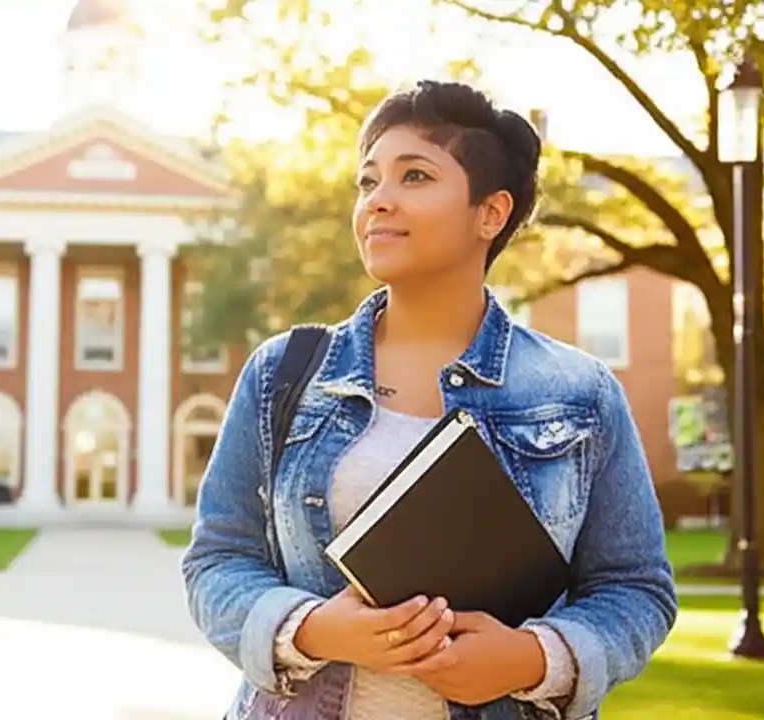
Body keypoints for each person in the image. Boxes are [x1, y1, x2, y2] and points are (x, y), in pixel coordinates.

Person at [181, 80, 677, 720]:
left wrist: (532, 658)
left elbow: (636, 590)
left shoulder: (579, 393)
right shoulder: (283, 373)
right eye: (368, 182)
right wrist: (313, 630)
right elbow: (218, 561)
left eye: (414, 176)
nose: (378, 201)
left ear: (491, 213)